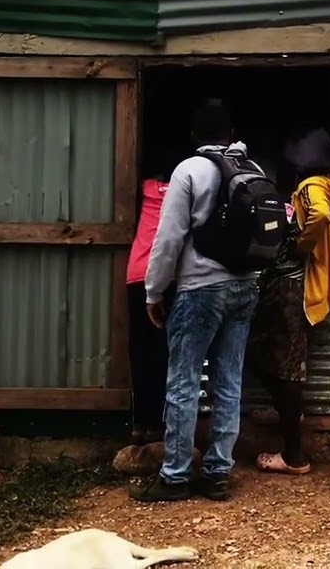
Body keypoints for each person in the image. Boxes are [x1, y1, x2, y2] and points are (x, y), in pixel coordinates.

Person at [131, 101, 260, 503]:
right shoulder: (252, 170)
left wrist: (153, 291)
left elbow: (167, 239)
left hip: (200, 289)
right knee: (229, 380)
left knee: (184, 380)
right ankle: (218, 472)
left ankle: (174, 476)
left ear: (194, 136)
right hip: (244, 288)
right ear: (232, 131)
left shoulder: (188, 171)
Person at [246, 127, 330, 475]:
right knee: (267, 358)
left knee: (285, 368)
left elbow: (319, 216)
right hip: (298, 289)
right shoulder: (329, 184)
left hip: (292, 291)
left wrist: (299, 246)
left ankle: (294, 455)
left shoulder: (310, 187)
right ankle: (291, 415)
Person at [124, 147, 184, 445]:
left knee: (139, 351)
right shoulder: (185, 194)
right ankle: (161, 424)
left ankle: (139, 424)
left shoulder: (146, 188)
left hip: (136, 273)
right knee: (165, 353)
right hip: (168, 276)